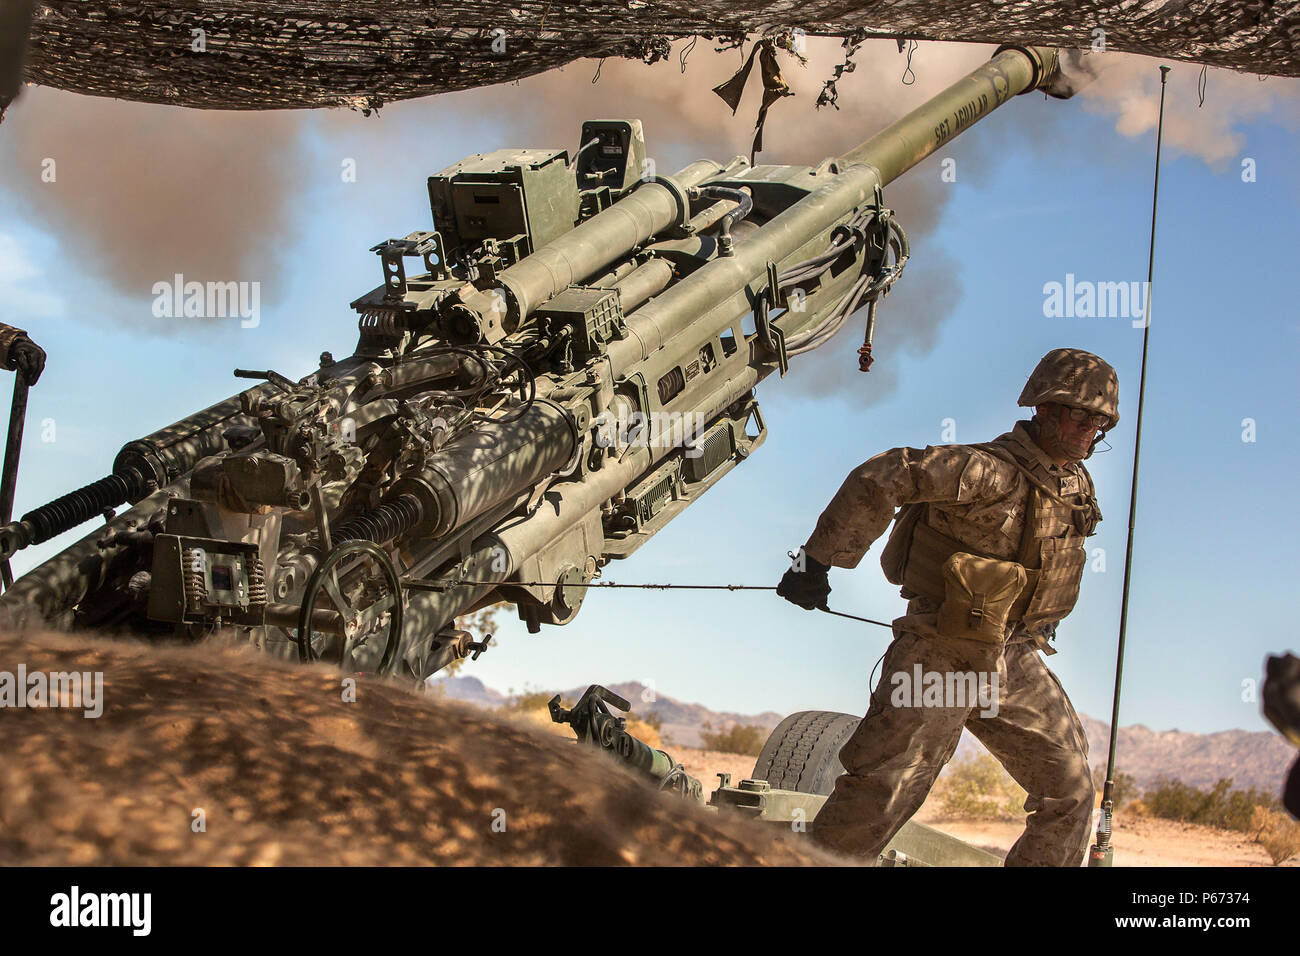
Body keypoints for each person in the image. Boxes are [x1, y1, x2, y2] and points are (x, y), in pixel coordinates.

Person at [777, 348, 1118, 866]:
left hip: (1015, 656)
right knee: (887, 790)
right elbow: (884, 474)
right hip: (940, 651)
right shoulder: (984, 470)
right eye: (1080, 414)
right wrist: (816, 562)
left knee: (1070, 790)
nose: (1090, 429)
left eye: (1100, 421)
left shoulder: (1073, 489)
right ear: (1044, 407)